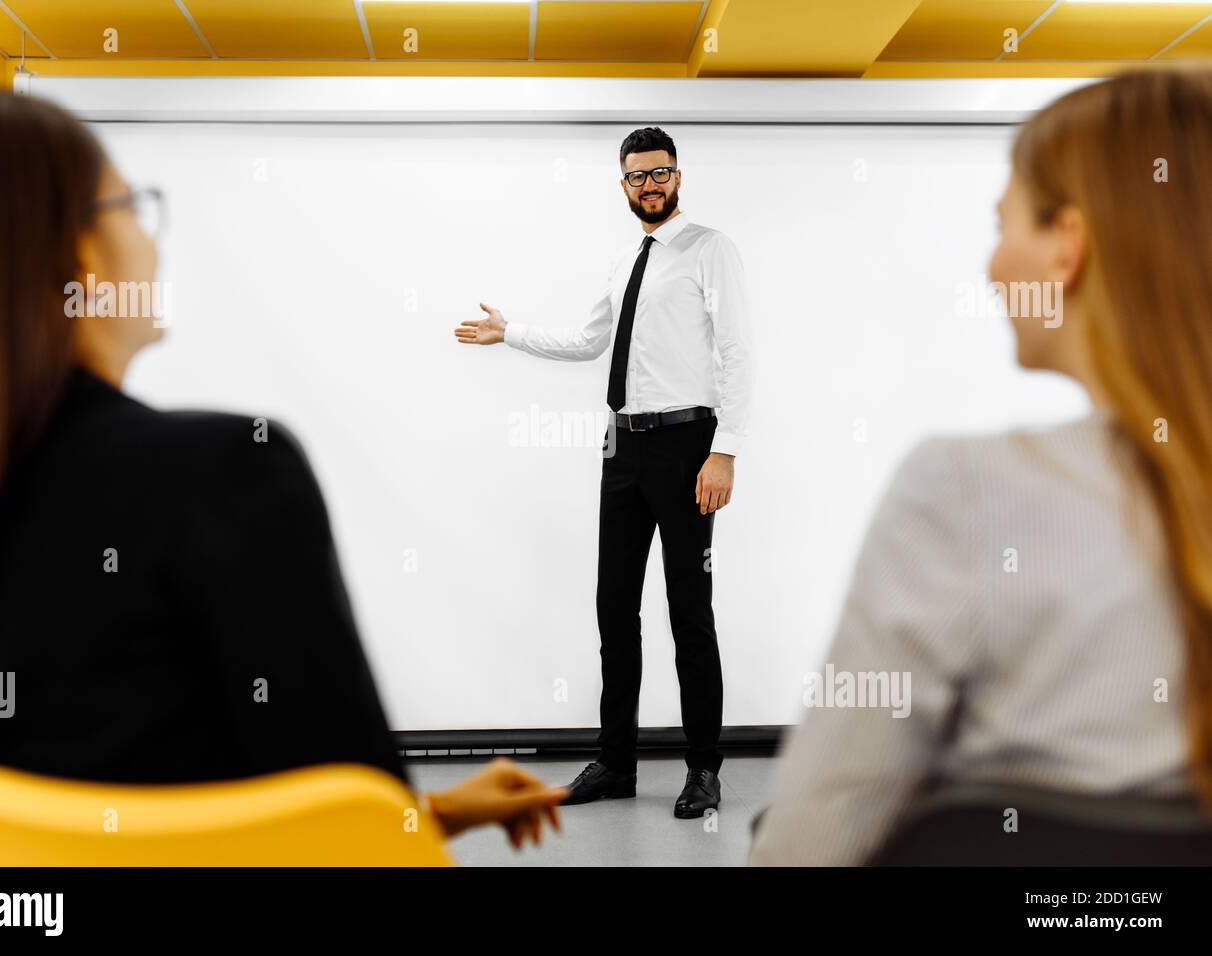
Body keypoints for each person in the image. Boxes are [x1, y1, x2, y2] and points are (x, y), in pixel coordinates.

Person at [0, 90, 566, 853]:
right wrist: (405, 820)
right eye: (130, 206)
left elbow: (87, 828)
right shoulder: (229, 471)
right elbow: (354, 847)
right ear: (81, 259)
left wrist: (440, 811)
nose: (153, 245)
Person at [748, 67, 1212, 865]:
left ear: (1068, 246)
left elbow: (808, 841)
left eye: (1006, 227)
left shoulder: (966, 492)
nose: (993, 267)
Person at [455, 127, 755, 818]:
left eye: (660, 173)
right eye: (637, 177)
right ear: (622, 186)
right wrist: (514, 331)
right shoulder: (626, 262)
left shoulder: (712, 250)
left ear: (679, 177)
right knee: (614, 609)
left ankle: (703, 769)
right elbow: (592, 341)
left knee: (690, 614)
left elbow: (738, 351)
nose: (649, 185)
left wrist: (726, 449)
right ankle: (615, 762)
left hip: (688, 446)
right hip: (622, 449)